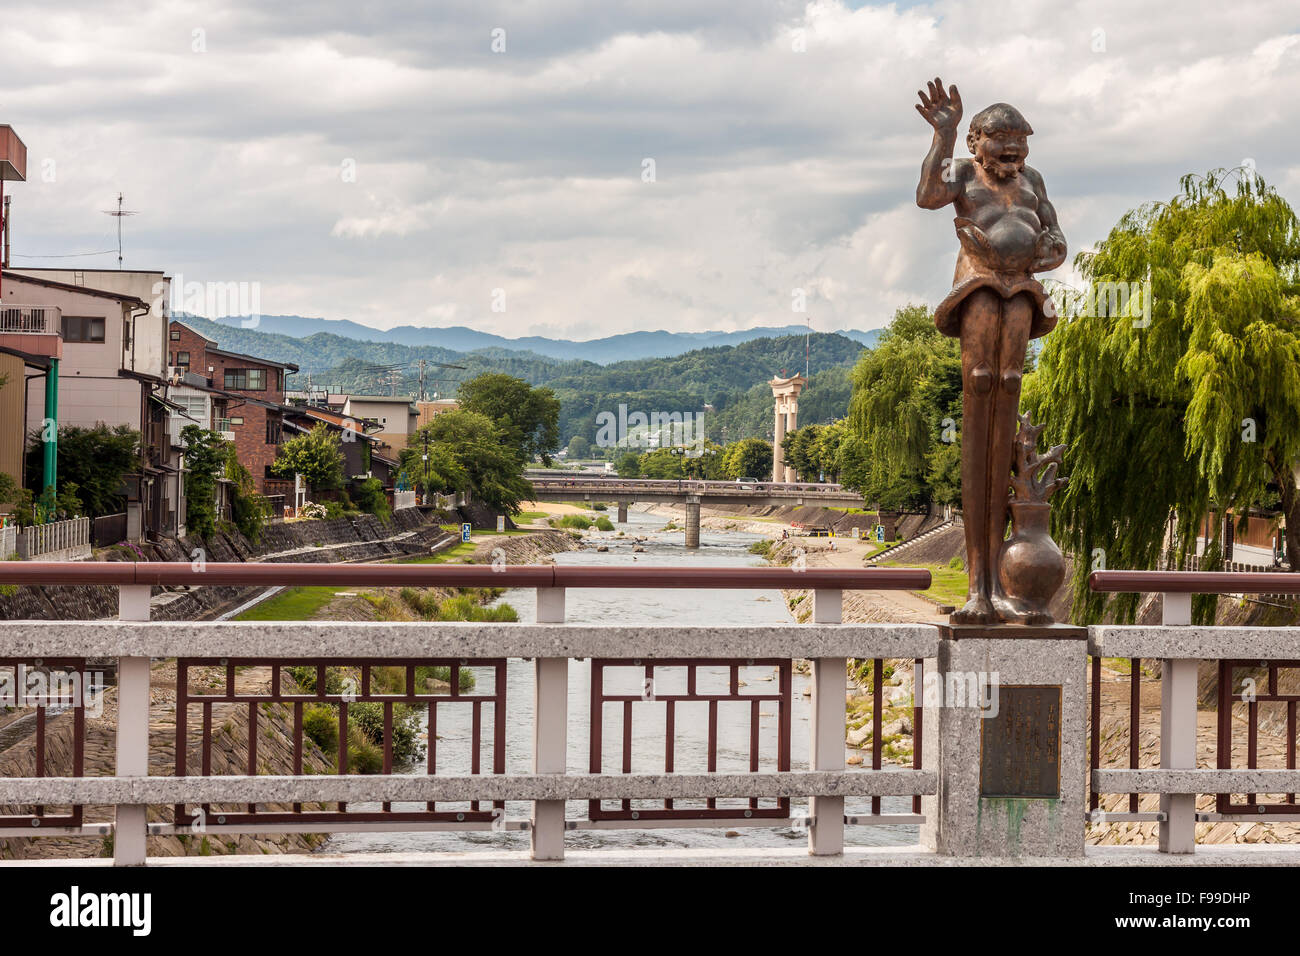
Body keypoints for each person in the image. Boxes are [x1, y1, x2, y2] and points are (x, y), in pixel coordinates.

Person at [915, 76, 1067, 625]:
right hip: (978, 285)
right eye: (1000, 139)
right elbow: (928, 196)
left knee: (1008, 385)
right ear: (977, 141)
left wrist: (1046, 251)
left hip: (1022, 289)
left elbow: (1057, 238)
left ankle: (1001, 589)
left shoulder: (1033, 181)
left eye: (1020, 142)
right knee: (980, 383)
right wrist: (944, 134)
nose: (1012, 150)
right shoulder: (961, 171)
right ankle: (977, 585)